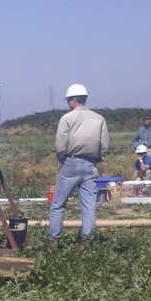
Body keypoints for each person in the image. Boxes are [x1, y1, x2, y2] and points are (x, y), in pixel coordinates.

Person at [48, 84, 110, 243]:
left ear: (73, 99)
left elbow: (61, 144)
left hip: (71, 162)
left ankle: (53, 240)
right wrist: (97, 159)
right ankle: (87, 239)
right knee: (89, 205)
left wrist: (62, 159)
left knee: (58, 205)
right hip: (91, 165)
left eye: (69, 99)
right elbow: (104, 145)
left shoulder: (67, 118)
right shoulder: (99, 118)